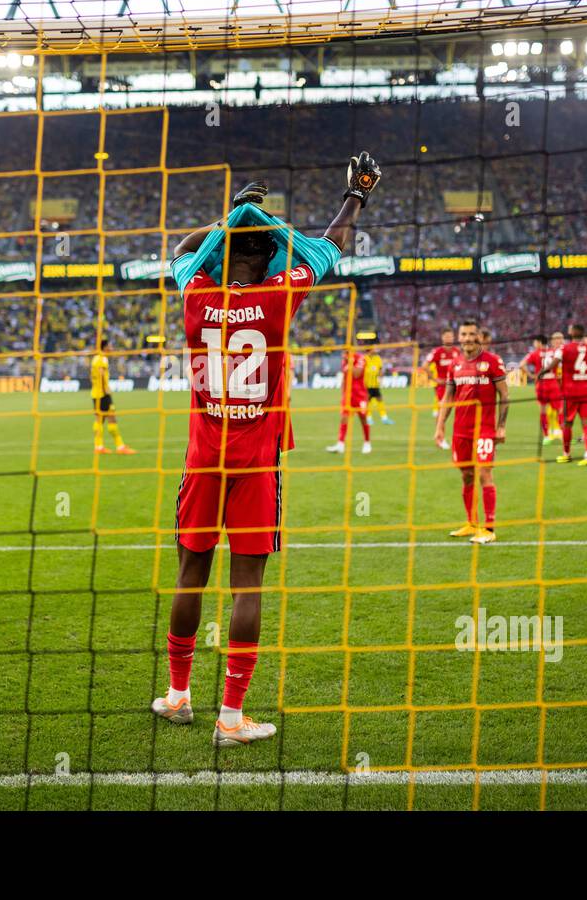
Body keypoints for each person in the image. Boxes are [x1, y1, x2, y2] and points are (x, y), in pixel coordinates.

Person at [153, 154, 380, 746]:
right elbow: (328, 246)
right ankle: (231, 718)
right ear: (266, 260)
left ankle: (178, 695)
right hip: (257, 464)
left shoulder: (196, 295)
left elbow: (182, 247)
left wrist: (228, 219)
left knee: (189, 572)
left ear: (225, 256)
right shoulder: (282, 294)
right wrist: (355, 196)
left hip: (203, 458)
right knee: (247, 585)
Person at [434, 320, 507, 544]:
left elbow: (504, 396)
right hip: (460, 431)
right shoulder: (454, 364)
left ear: (478, 337)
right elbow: (448, 397)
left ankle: (489, 528)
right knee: (466, 476)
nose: (467, 338)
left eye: (471, 334)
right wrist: (440, 425)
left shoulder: (493, 362)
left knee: (485, 474)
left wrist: (501, 426)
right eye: (463, 334)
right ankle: (471, 523)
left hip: (484, 430)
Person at [543, 324, 587, 466]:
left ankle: (566, 454)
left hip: (570, 392)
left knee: (566, 424)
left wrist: (542, 372)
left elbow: (554, 363)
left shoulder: (564, 348)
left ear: (573, 332)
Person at [326, 347, 372, 454]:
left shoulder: (360, 358)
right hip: (348, 396)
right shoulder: (344, 361)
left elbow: (357, 374)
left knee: (363, 418)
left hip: (360, 395)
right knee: (344, 418)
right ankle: (340, 444)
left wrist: (350, 362)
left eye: (346, 352)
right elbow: (345, 377)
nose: (344, 354)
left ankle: (367, 443)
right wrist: (343, 394)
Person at [91, 349, 135, 455]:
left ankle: (100, 446)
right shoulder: (102, 359)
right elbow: (101, 374)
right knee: (110, 418)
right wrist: (104, 389)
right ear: (104, 347)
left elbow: (91, 376)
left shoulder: (95, 359)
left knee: (100, 419)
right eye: (109, 346)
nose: (111, 349)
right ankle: (118, 446)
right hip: (103, 394)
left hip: (96, 393)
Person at [521, 333, 561, 446]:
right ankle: (561, 432)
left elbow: (522, 364)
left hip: (542, 383)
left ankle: (546, 436)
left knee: (543, 410)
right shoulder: (554, 352)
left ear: (539, 342)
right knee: (559, 410)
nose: (534, 344)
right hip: (553, 382)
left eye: (534, 342)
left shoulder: (534, 353)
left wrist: (531, 375)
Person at [425, 327, 459, 449]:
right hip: (443, 387)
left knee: (459, 412)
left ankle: (458, 437)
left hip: (456, 386)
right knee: (442, 413)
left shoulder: (457, 351)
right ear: (442, 338)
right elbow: (425, 365)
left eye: (451, 336)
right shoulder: (437, 352)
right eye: (447, 336)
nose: (449, 338)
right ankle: (440, 438)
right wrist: (435, 379)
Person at [365, 346, 392, 424]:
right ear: (370, 350)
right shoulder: (364, 358)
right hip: (366, 384)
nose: (376, 350)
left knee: (379, 399)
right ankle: (368, 418)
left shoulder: (377, 358)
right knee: (368, 401)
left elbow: (380, 370)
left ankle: (384, 418)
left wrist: (380, 379)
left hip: (375, 384)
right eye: (374, 348)